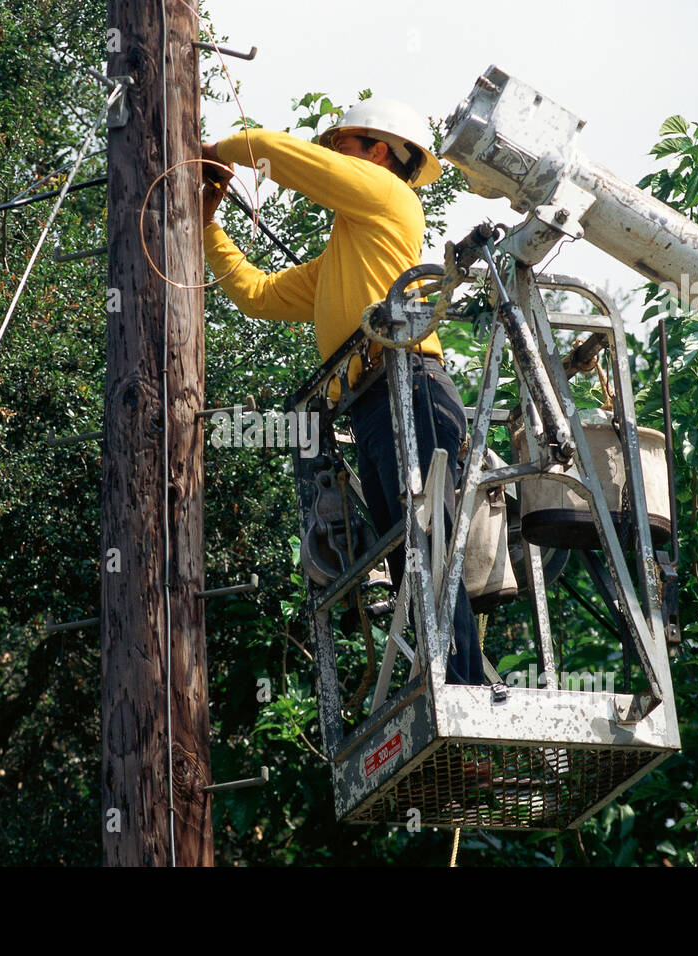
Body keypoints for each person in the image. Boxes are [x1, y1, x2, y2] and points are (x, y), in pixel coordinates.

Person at [201, 98, 485, 686]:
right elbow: (257, 294)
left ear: (378, 154)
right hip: (377, 405)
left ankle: (462, 689)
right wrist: (207, 225)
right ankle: (443, 684)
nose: (333, 157)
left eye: (342, 146)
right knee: (413, 557)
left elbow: (291, 159)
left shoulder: (392, 198)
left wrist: (219, 150)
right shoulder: (344, 255)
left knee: (428, 552)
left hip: (411, 390)